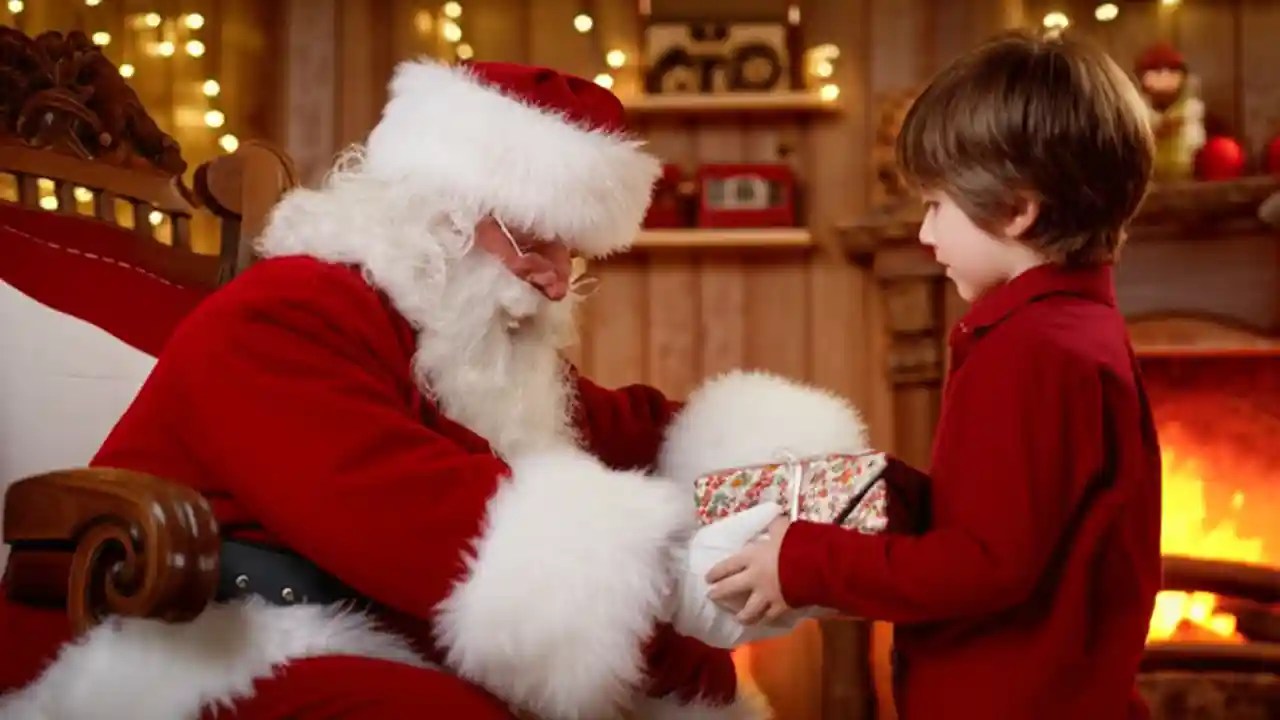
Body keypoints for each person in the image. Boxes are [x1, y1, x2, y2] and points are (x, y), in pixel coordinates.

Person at [0, 60, 873, 720]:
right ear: (438, 214)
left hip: (357, 615)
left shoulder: (453, 338)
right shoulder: (283, 315)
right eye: (535, 241)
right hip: (171, 634)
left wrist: (840, 494)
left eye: (572, 253)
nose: (558, 281)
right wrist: (691, 604)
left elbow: (621, 429)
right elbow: (420, 523)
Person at [706, 30, 1163, 720]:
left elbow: (987, 564)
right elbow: (1031, 523)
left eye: (937, 206)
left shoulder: (1030, 352)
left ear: (1016, 209)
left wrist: (805, 562)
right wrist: (894, 496)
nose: (925, 234)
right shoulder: (1079, 332)